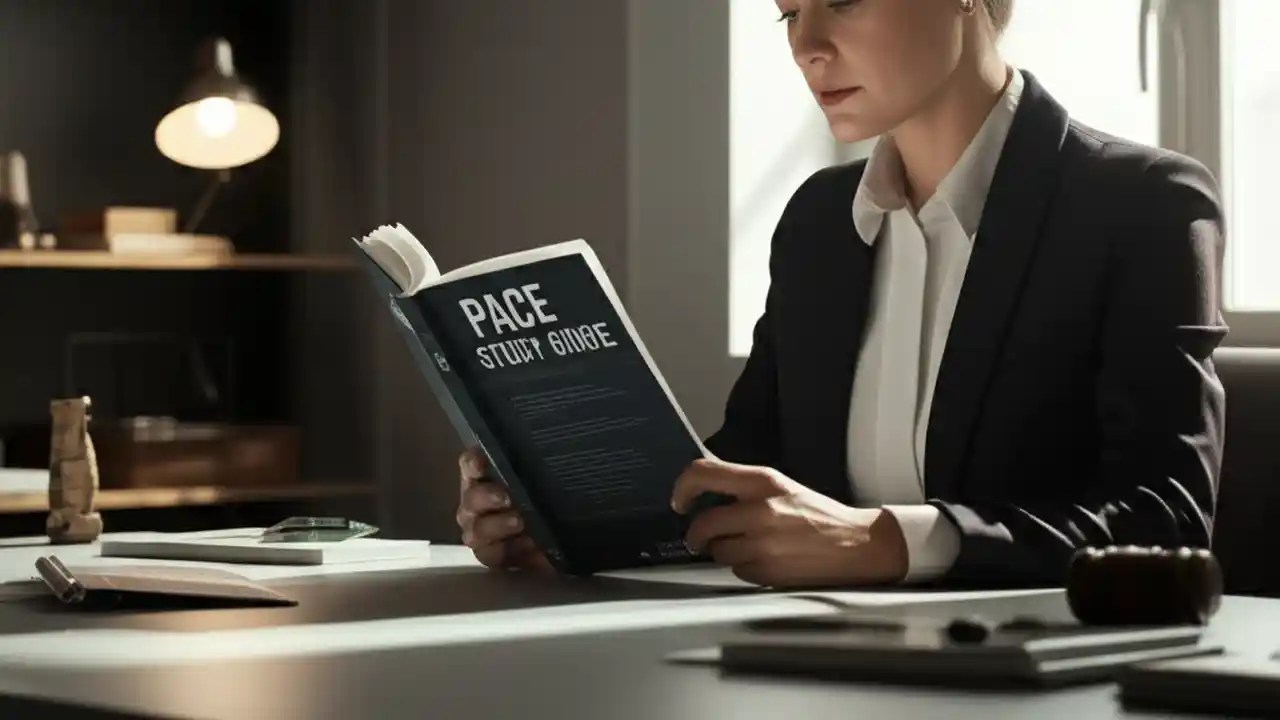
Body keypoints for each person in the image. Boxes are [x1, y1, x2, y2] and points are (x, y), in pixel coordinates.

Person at [456, 0, 1227, 588]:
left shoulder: (1142, 202)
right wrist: (568, 523)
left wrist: (882, 540)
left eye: (844, 0)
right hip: (817, 664)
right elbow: (746, 468)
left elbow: (1167, 524)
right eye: (789, 12)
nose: (805, 45)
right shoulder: (819, 221)